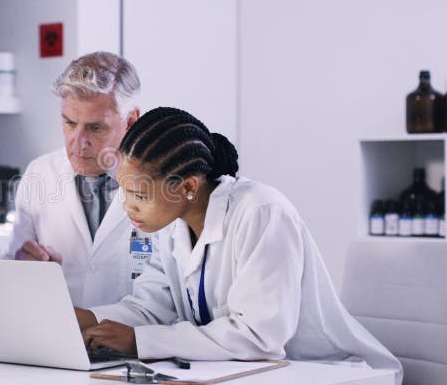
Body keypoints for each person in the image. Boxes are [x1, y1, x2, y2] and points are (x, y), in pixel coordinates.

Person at [75, 107, 402, 383]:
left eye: (140, 195)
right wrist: (86, 318)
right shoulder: (171, 225)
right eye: (124, 191)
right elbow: (148, 308)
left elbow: (259, 337)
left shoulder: (261, 212)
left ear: (187, 186)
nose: (127, 206)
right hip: (249, 373)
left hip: (325, 373)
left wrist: (138, 340)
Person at [2, 51, 142, 307]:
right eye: (69, 123)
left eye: (95, 128)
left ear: (131, 121)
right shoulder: (40, 174)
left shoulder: (162, 184)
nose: (78, 143)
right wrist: (22, 267)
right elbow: (9, 268)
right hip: (57, 336)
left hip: (137, 340)